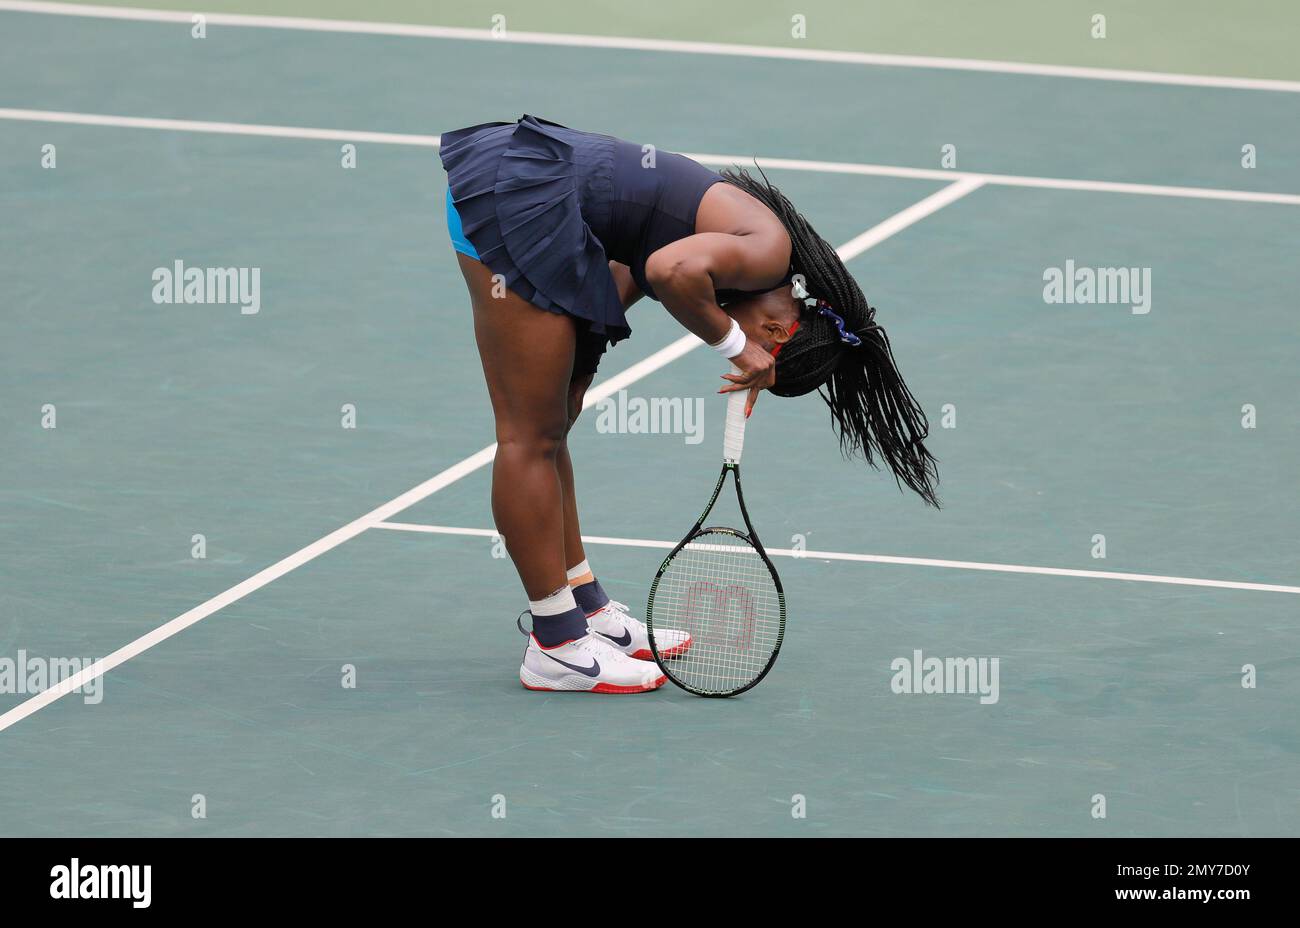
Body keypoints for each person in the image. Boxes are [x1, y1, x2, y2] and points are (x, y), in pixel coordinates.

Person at [441, 116, 938, 694]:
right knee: (528, 437)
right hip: (518, 195)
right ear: (779, 330)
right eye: (764, 348)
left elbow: (626, 271)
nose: (747, 354)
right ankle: (555, 644)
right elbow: (666, 271)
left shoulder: (749, 256)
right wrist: (736, 344)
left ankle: (585, 606)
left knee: (552, 430)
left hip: (532, 189)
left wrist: (581, 368)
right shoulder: (768, 254)